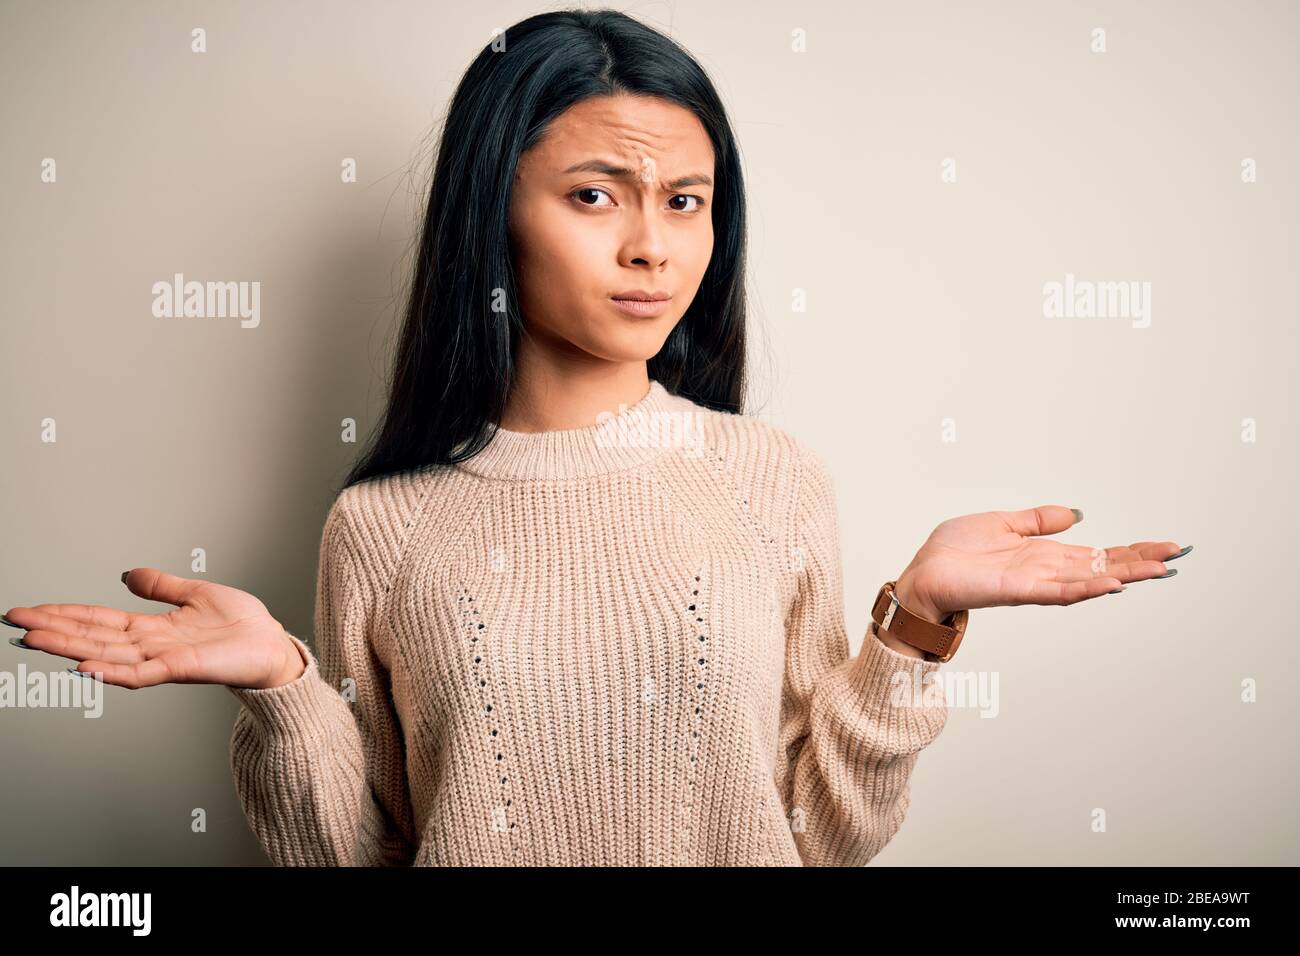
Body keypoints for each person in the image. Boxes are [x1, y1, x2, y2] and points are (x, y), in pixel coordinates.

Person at [1, 8, 1189, 867]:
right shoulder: (381, 524)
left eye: (685, 199)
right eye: (593, 194)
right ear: (493, 214)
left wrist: (915, 618)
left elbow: (817, 840)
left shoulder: (770, 481)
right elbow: (357, 858)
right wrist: (285, 688)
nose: (652, 248)